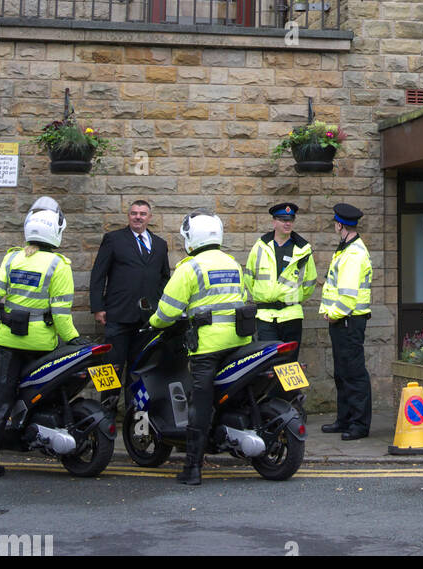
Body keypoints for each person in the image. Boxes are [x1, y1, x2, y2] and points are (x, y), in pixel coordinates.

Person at [0, 197, 79, 481]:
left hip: (8, 342)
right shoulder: (59, 265)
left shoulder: (13, 258)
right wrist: (75, 340)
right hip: (42, 344)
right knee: (45, 392)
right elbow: (62, 314)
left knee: (2, 401)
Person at [149, 210, 253, 486]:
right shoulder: (231, 263)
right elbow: (242, 297)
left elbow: (168, 310)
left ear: (191, 238)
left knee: (200, 403)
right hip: (239, 341)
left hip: (208, 347)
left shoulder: (189, 267)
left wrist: (153, 321)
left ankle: (193, 467)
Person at [89, 199, 170, 408]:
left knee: (141, 369)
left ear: (149, 218)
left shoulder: (160, 244)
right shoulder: (113, 239)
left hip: (147, 320)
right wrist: (98, 307)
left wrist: (157, 302)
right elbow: (98, 274)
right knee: (109, 367)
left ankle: (136, 413)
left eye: (143, 214)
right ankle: (105, 410)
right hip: (117, 315)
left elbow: (164, 277)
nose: (138, 217)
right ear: (128, 216)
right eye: (134, 213)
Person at [318, 204, 372, 441]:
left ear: (340, 225)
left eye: (335, 223)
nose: (334, 226)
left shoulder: (352, 254)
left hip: (348, 320)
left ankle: (358, 425)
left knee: (353, 373)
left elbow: (348, 295)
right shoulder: (346, 250)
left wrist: (334, 313)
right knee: (342, 372)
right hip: (345, 321)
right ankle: (345, 419)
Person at [244, 202, 316, 359]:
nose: (288, 223)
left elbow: (309, 284)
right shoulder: (260, 247)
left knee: (289, 364)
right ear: (274, 222)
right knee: (268, 365)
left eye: (290, 219)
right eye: (283, 220)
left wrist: (292, 298)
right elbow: (249, 278)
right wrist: (264, 295)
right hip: (265, 316)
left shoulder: (303, 250)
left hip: (291, 315)